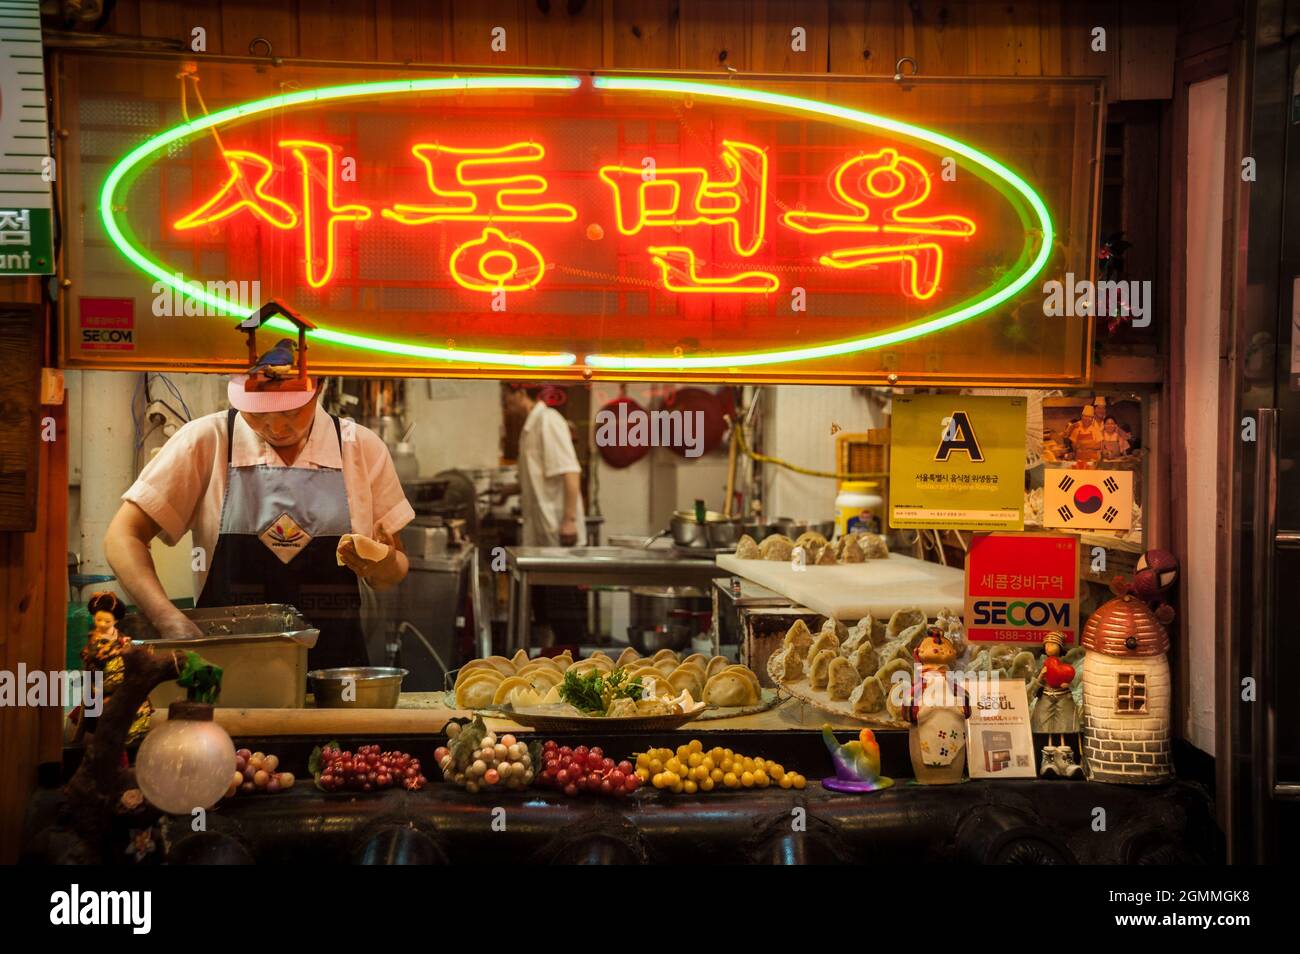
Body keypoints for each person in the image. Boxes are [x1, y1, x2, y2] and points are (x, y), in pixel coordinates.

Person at [104, 346, 414, 670]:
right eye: (258, 413)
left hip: (334, 681)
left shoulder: (360, 448)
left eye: (291, 412)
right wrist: (168, 619)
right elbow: (122, 536)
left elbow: (390, 573)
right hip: (229, 676)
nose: (275, 427)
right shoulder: (207, 441)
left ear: (318, 387)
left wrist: (381, 564)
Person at [501, 383, 587, 642]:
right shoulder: (531, 427)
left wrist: (569, 521)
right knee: (546, 609)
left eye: (507, 400)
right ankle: (550, 662)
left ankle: (573, 664)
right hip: (542, 536)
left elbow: (570, 472)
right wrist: (510, 489)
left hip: (558, 535)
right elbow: (540, 477)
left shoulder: (548, 421)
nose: (506, 407)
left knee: (564, 612)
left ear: (520, 393)